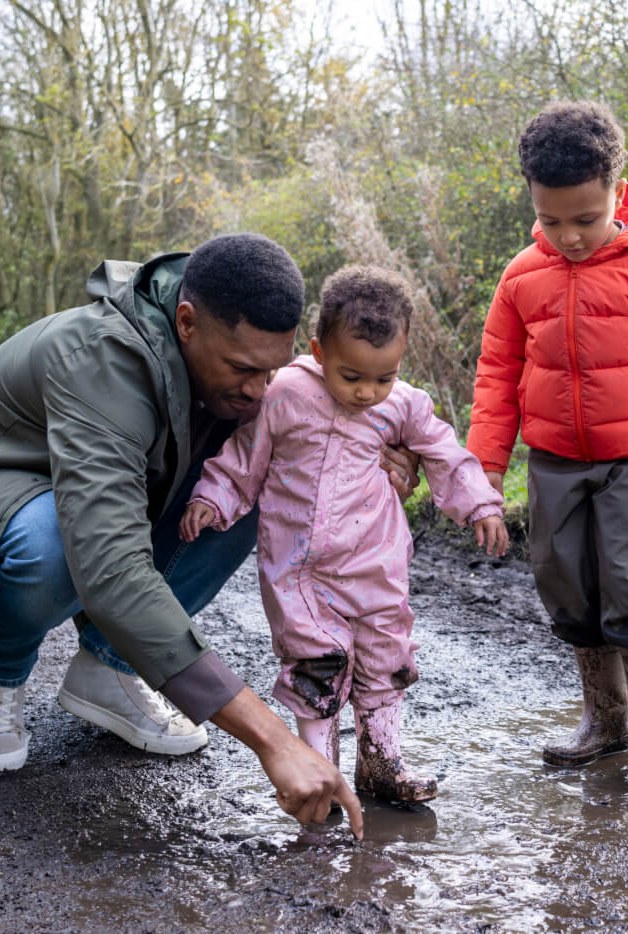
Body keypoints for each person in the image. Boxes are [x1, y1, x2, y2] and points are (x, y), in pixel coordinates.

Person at [0, 234, 420, 837]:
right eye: (243, 369)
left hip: (111, 488)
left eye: (272, 369)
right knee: (55, 546)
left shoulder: (233, 359)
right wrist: (273, 740)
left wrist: (371, 457)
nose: (259, 389)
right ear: (186, 322)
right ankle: (1, 675)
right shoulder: (101, 358)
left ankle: (107, 668)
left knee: (274, 477)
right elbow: (111, 568)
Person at [179, 266, 509, 803]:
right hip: (300, 572)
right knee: (318, 666)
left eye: (384, 377)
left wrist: (480, 506)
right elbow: (244, 457)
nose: (366, 392)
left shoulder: (402, 404)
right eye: (351, 375)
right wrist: (212, 498)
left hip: (377, 565)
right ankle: (319, 773)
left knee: (386, 659)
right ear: (318, 351)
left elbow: (444, 453)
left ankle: (382, 762)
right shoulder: (286, 394)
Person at [466, 101, 628, 786]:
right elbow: (497, 373)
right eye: (551, 221)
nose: (569, 237)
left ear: (617, 189)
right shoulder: (522, 276)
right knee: (564, 582)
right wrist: (484, 468)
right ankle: (604, 721)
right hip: (553, 463)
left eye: (585, 218)